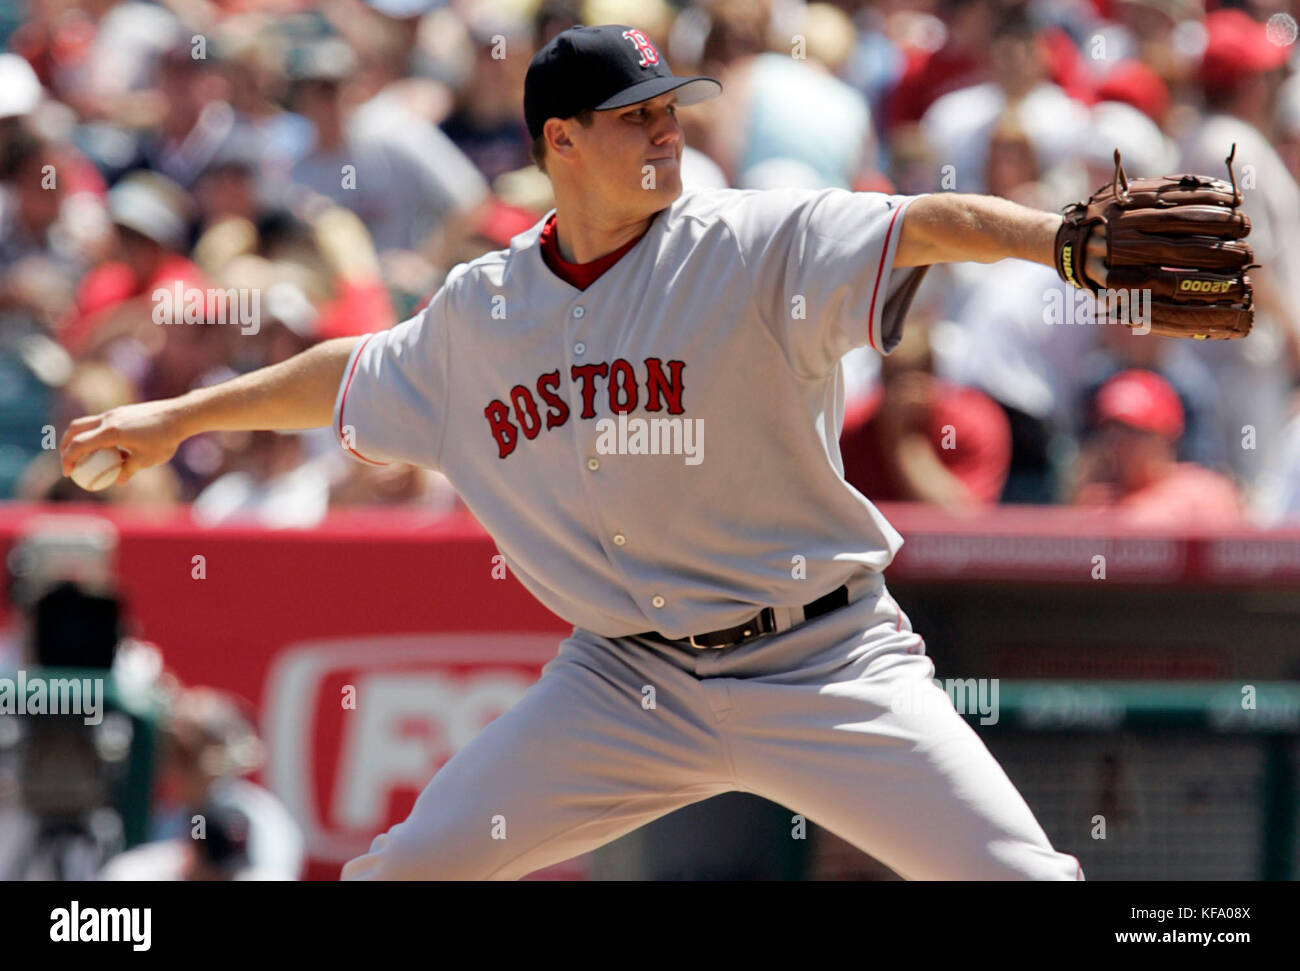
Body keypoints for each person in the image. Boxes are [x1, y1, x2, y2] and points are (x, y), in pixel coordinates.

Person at [61, 23, 1152, 881]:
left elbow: (920, 221)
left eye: (671, 111)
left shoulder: (748, 240)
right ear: (560, 144)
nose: (667, 133)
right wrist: (173, 420)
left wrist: (1055, 239)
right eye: (635, 119)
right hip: (625, 680)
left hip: (826, 662)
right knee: (411, 867)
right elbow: (346, 375)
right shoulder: (480, 310)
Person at [1068, 369, 1244, 528]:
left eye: (1132, 432)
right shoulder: (1095, 501)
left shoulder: (1204, 494)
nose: (1119, 443)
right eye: (1111, 431)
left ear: (1165, 436)